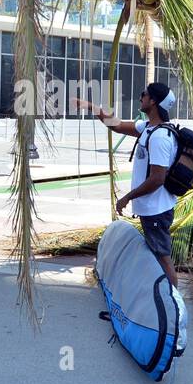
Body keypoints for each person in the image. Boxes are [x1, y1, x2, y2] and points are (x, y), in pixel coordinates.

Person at [73, 83, 180, 290]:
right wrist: (91, 107)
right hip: (151, 209)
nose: (141, 97)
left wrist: (128, 197)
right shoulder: (149, 128)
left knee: (163, 259)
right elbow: (117, 125)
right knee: (158, 257)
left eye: (144, 94)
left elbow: (157, 178)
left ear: (153, 101)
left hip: (156, 210)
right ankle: (165, 302)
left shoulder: (159, 137)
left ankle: (173, 305)